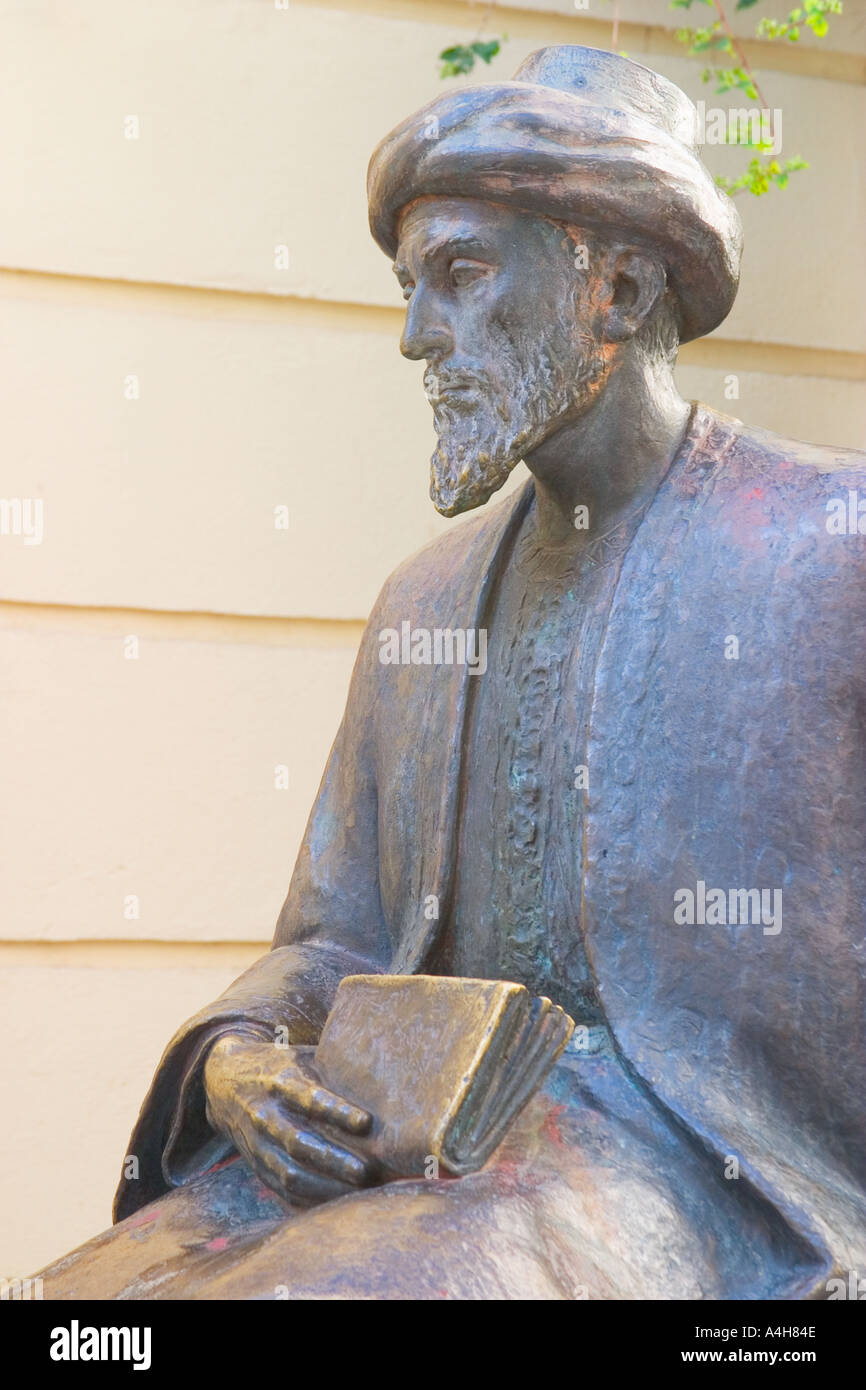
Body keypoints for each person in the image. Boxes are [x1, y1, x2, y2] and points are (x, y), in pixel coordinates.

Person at [41, 45, 866, 1300]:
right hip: (402, 1139)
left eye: (461, 276)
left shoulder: (824, 548)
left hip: (697, 1172)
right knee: (85, 1304)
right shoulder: (422, 603)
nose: (419, 335)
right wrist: (239, 1055)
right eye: (409, 286)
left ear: (620, 287)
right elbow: (336, 940)